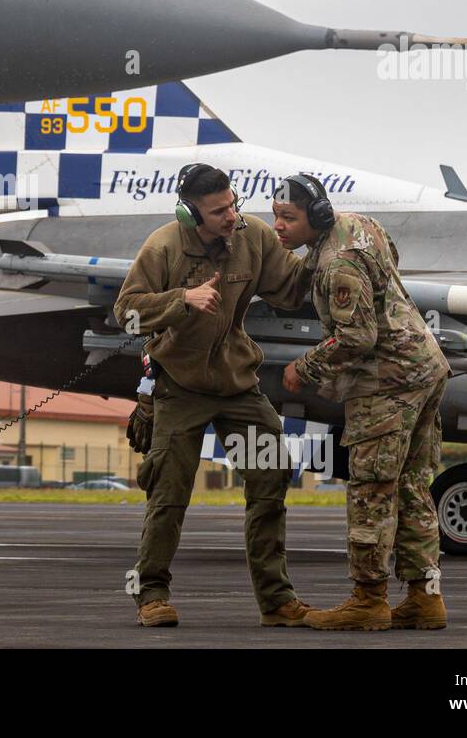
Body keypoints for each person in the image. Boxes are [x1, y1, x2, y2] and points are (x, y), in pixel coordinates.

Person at [115, 163, 314, 628]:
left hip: (236, 386)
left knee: (270, 478)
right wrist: (179, 300)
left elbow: (292, 288)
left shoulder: (254, 236)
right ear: (190, 215)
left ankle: (277, 601)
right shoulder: (162, 247)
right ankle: (151, 594)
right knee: (170, 491)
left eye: (233, 204)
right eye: (218, 211)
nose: (231, 216)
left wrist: (327, 245)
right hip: (180, 387)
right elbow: (123, 316)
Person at [273, 174, 452, 630]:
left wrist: (304, 368)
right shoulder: (360, 224)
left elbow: (357, 336)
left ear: (314, 216)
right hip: (426, 365)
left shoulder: (337, 265)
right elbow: (392, 257)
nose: (278, 227)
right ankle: (424, 598)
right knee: (413, 486)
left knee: (371, 488)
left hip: (387, 381)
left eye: (288, 218)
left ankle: (368, 600)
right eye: (275, 216)